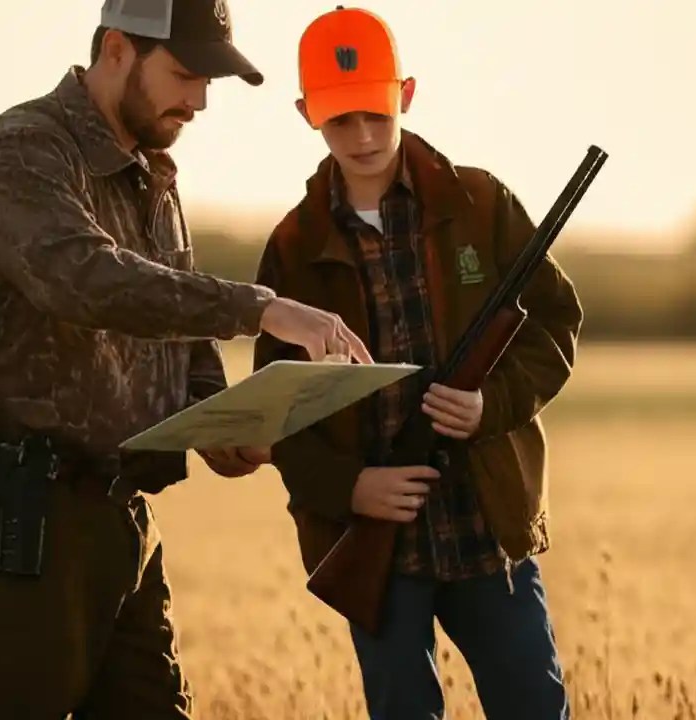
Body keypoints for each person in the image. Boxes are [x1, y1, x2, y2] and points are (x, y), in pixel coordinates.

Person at [0, 0, 372, 717]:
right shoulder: (23, 150)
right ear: (115, 50)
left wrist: (217, 423)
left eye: (209, 82)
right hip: (18, 517)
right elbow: (90, 281)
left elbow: (172, 329)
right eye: (185, 73)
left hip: (120, 520)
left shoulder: (155, 174)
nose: (198, 100)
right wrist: (260, 307)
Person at [252, 6, 584, 718]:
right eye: (341, 120)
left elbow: (554, 326)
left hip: (486, 532)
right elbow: (278, 415)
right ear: (307, 112)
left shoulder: (480, 203)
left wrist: (488, 407)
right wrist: (352, 490)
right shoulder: (292, 246)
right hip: (381, 551)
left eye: (375, 112)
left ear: (405, 94)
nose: (364, 136)